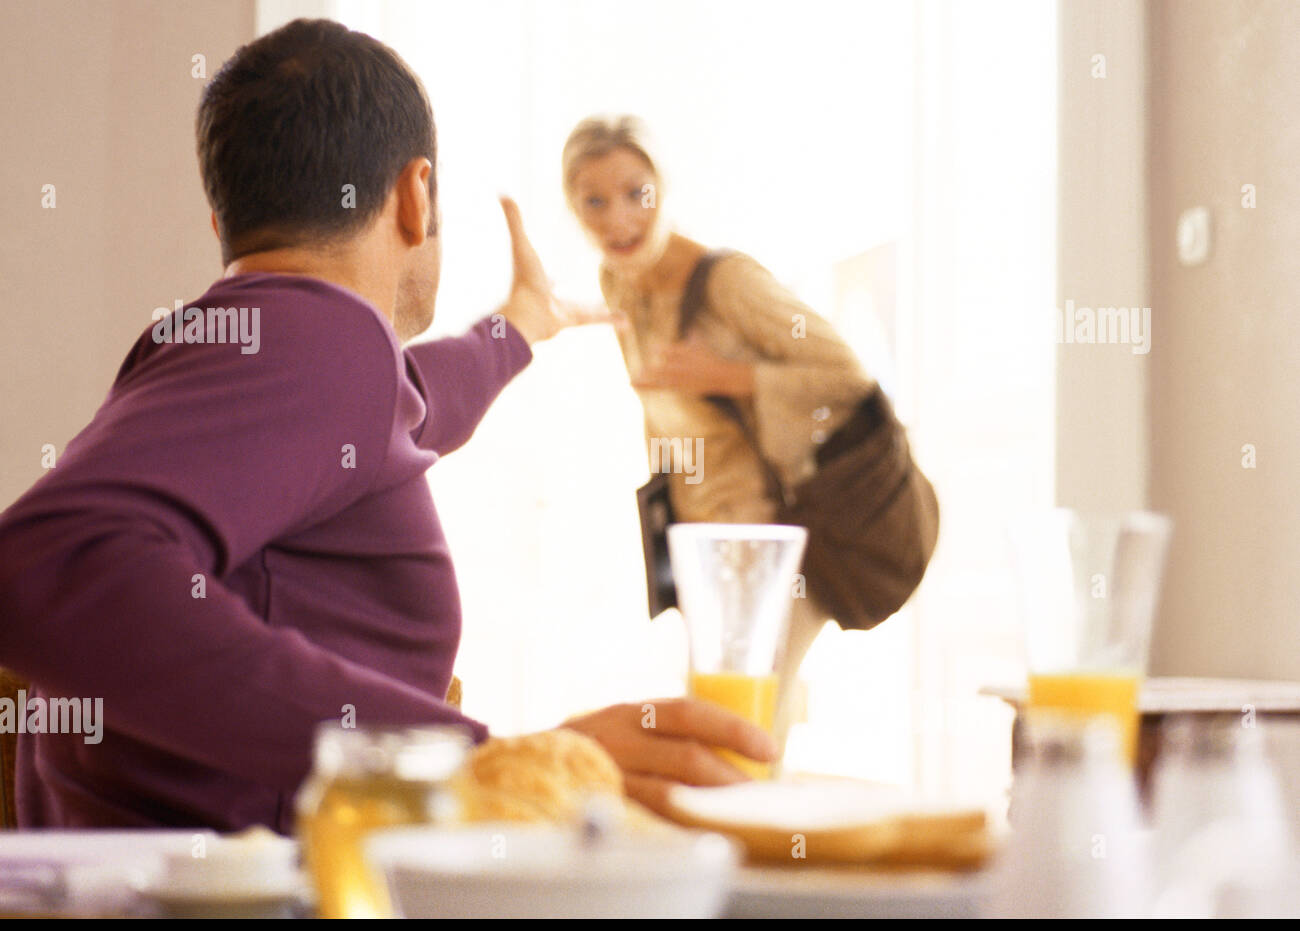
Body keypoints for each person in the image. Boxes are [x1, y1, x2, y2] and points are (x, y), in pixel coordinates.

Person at [0, 19, 776, 832]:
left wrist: (518, 326)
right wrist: (473, 762)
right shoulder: (317, 340)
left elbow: (410, 404)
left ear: (223, 220)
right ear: (415, 194)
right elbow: (49, 563)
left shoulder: (252, 345)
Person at [561, 115, 880, 741]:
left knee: (735, 729)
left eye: (636, 192)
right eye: (593, 201)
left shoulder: (727, 282)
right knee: (726, 719)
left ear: (664, 188)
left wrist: (728, 376)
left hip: (770, 530)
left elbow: (848, 376)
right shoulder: (617, 281)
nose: (618, 218)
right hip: (700, 537)